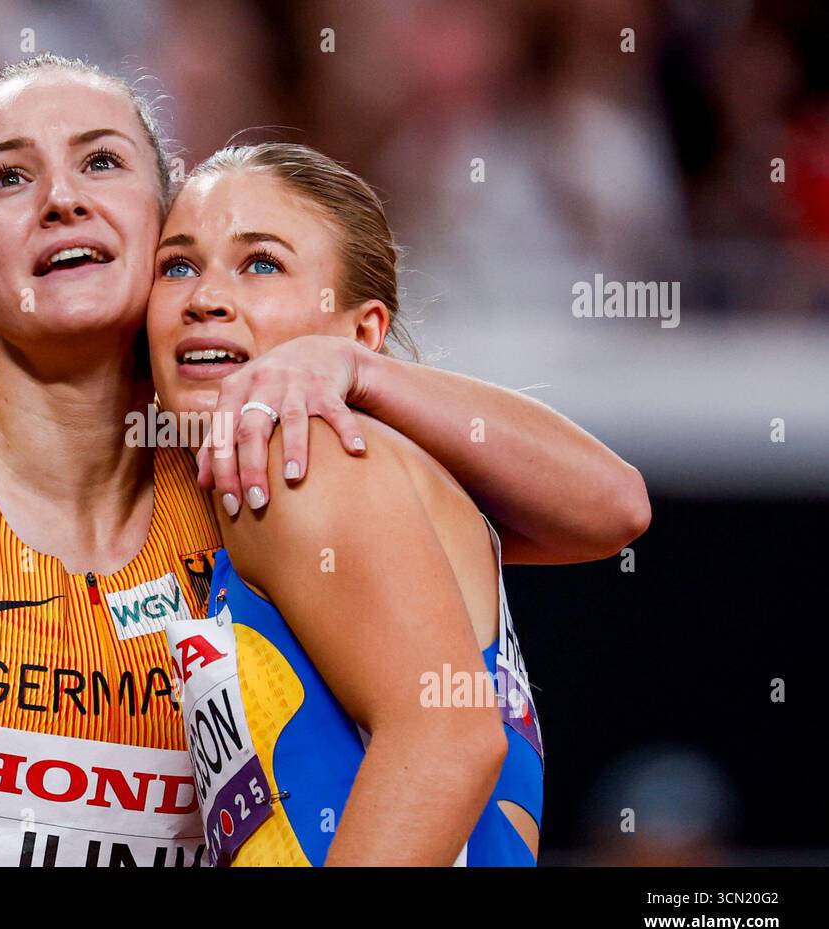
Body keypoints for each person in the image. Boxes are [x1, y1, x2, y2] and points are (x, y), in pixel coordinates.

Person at [0, 55, 647, 867]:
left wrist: (359, 368)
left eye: (101, 163)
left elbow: (607, 510)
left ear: (154, 222)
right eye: (8, 179)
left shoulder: (261, 477)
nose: (61, 199)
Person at [152, 143, 617, 865]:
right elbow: (614, 510)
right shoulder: (374, 475)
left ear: (361, 328)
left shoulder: (307, 455)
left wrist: (359, 373)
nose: (204, 296)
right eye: (177, 266)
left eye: (262, 264)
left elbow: (447, 740)